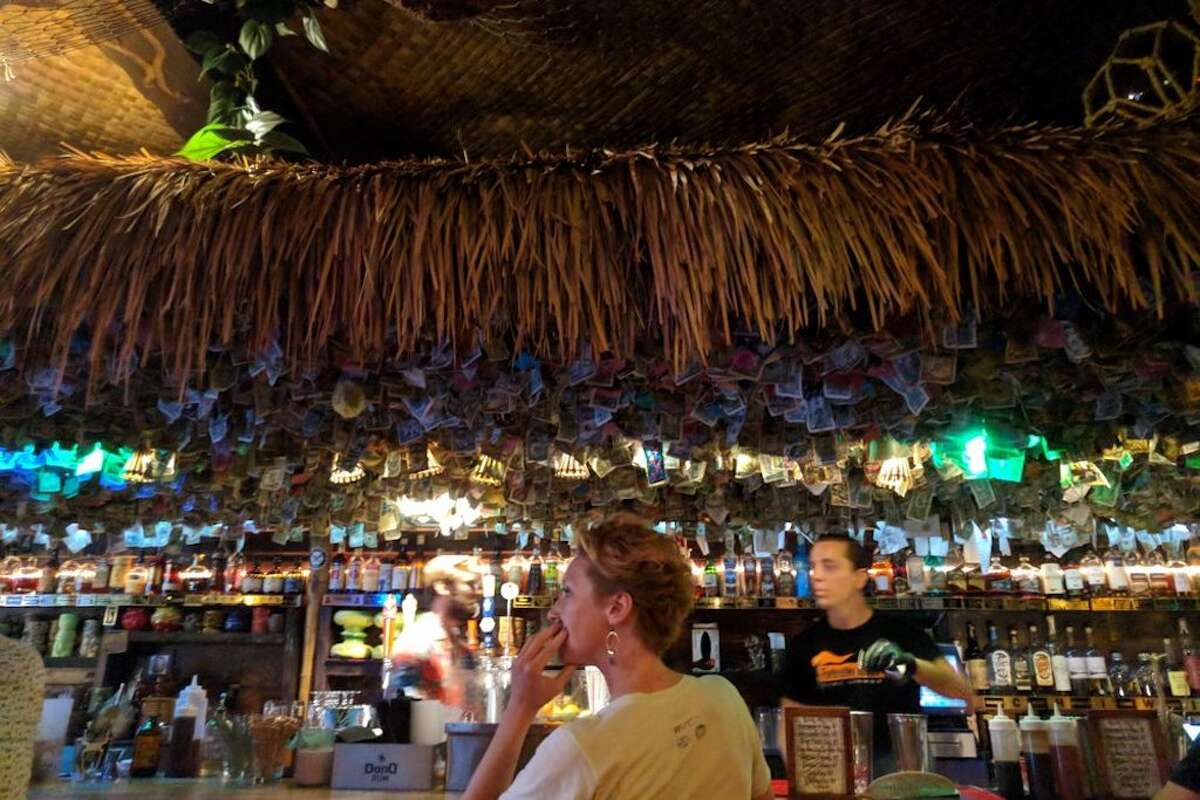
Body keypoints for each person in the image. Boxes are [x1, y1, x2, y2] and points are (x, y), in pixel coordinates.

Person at [464, 513, 773, 800]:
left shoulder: (581, 749)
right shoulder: (724, 697)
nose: (554, 610)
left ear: (617, 608)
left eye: (568, 592)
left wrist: (519, 708)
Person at [778, 534, 975, 771]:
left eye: (829, 566)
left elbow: (961, 692)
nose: (816, 576)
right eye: (813, 567)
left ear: (859, 578)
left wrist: (910, 664)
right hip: (838, 770)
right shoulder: (805, 644)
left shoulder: (899, 632)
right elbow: (789, 727)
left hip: (902, 771)